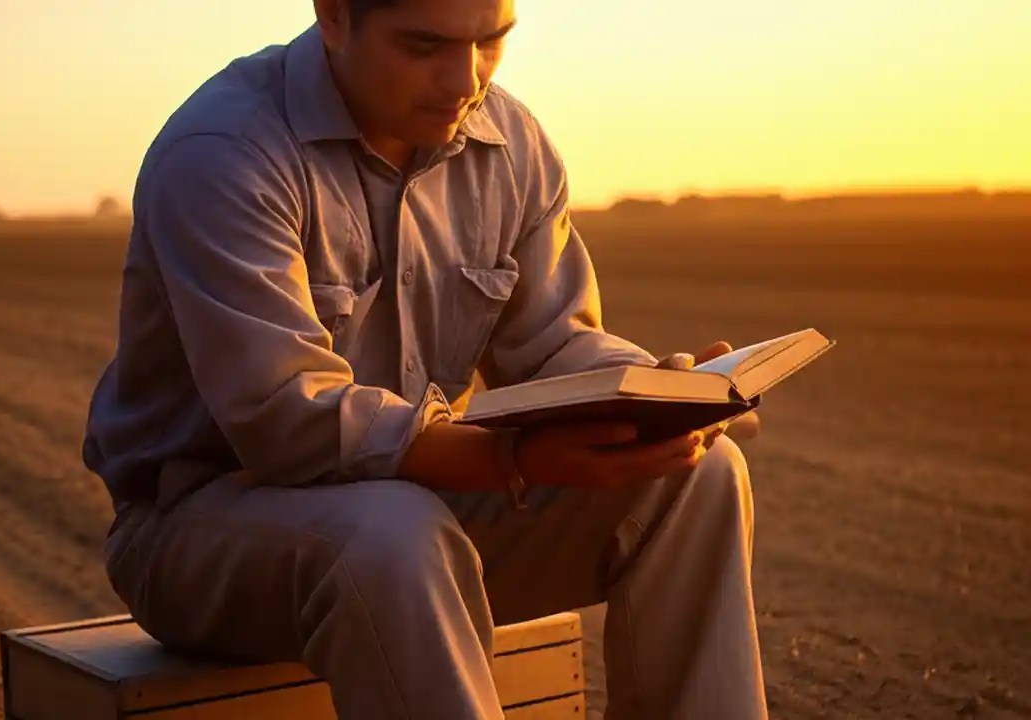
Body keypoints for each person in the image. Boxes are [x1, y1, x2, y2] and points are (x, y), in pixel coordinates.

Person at [83, 0, 768, 717]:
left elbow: (555, 343)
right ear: (335, 15)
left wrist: (650, 395)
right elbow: (285, 417)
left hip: (423, 515)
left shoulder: (513, 145)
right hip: (198, 530)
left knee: (699, 477)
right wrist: (517, 461)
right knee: (393, 534)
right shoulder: (224, 151)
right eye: (424, 45)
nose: (465, 80)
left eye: (492, 42)